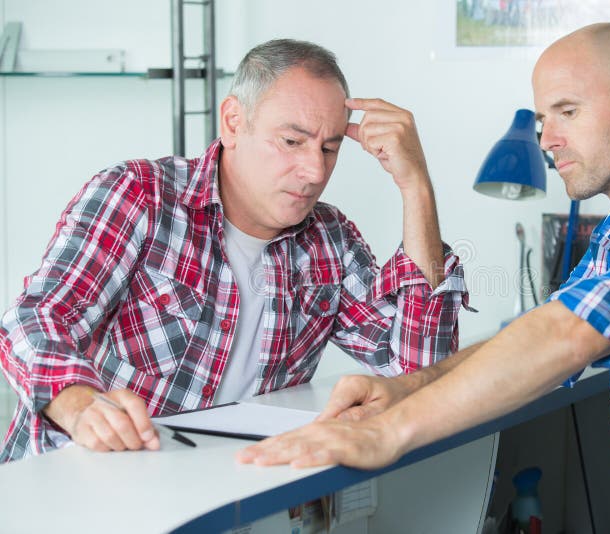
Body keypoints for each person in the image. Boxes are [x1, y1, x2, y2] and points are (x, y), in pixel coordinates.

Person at [240, 23, 610, 532]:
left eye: (567, 111)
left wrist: (388, 432)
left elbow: (567, 334)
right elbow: (541, 324)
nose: (547, 138)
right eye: (541, 119)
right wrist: (404, 389)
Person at [0, 39, 470, 463]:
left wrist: (416, 187)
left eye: (329, 149)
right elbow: (34, 319)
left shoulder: (331, 239)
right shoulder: (140, 196)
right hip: (72, 477)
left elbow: (417, 371)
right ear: (233, 122)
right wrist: (78, 403)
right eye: (291, 141)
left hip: (216, 488)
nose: (313, 171)